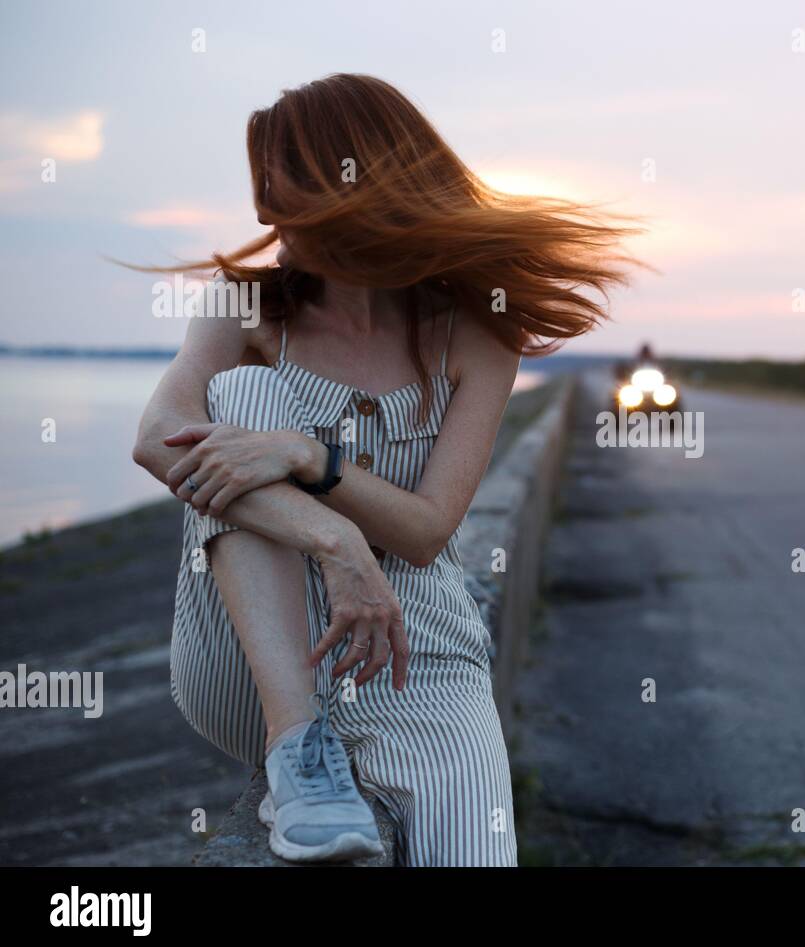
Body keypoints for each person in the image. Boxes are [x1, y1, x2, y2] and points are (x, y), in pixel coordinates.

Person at [130, 74, 642, 865]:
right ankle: (297, 749)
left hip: (419, 659)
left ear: (356, 183)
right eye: (261, 194)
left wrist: (310, 457)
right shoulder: (246, 310)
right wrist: (335, 542)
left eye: (280, 188)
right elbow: (158, 436)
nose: (264, 216)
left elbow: (429, 529)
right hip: (254, 657)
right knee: (241, 395)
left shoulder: (472, 334)